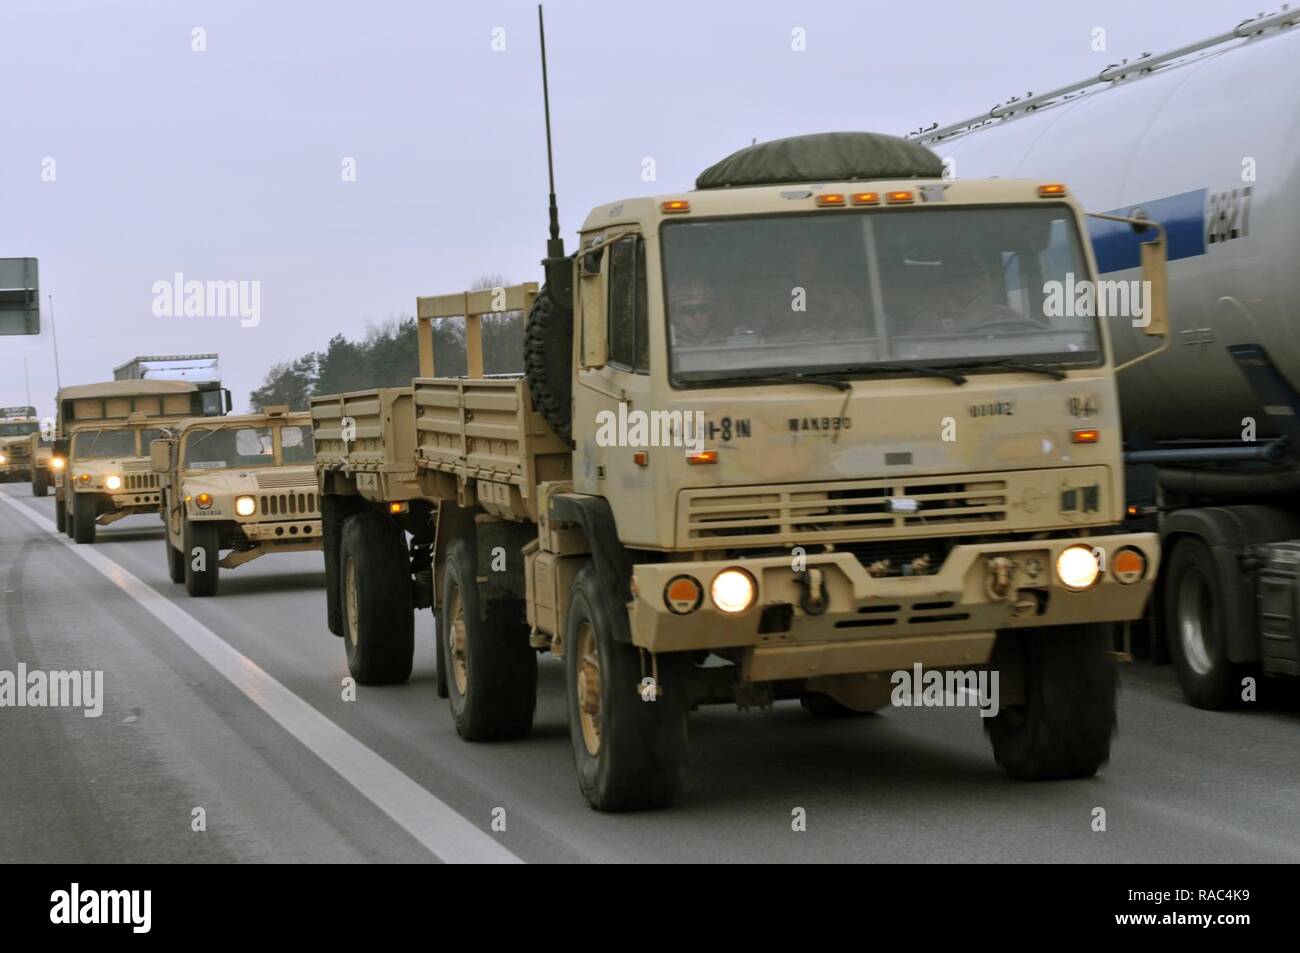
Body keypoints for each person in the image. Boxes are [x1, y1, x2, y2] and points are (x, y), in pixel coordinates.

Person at [912, 253, 1022, 334]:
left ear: (983, 281)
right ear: (947, 283)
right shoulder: (929, 317)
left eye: (974, 276)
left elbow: (1035, 336)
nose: (968, 281)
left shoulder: (1005, 315)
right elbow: (916, 351)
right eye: (960, 276)